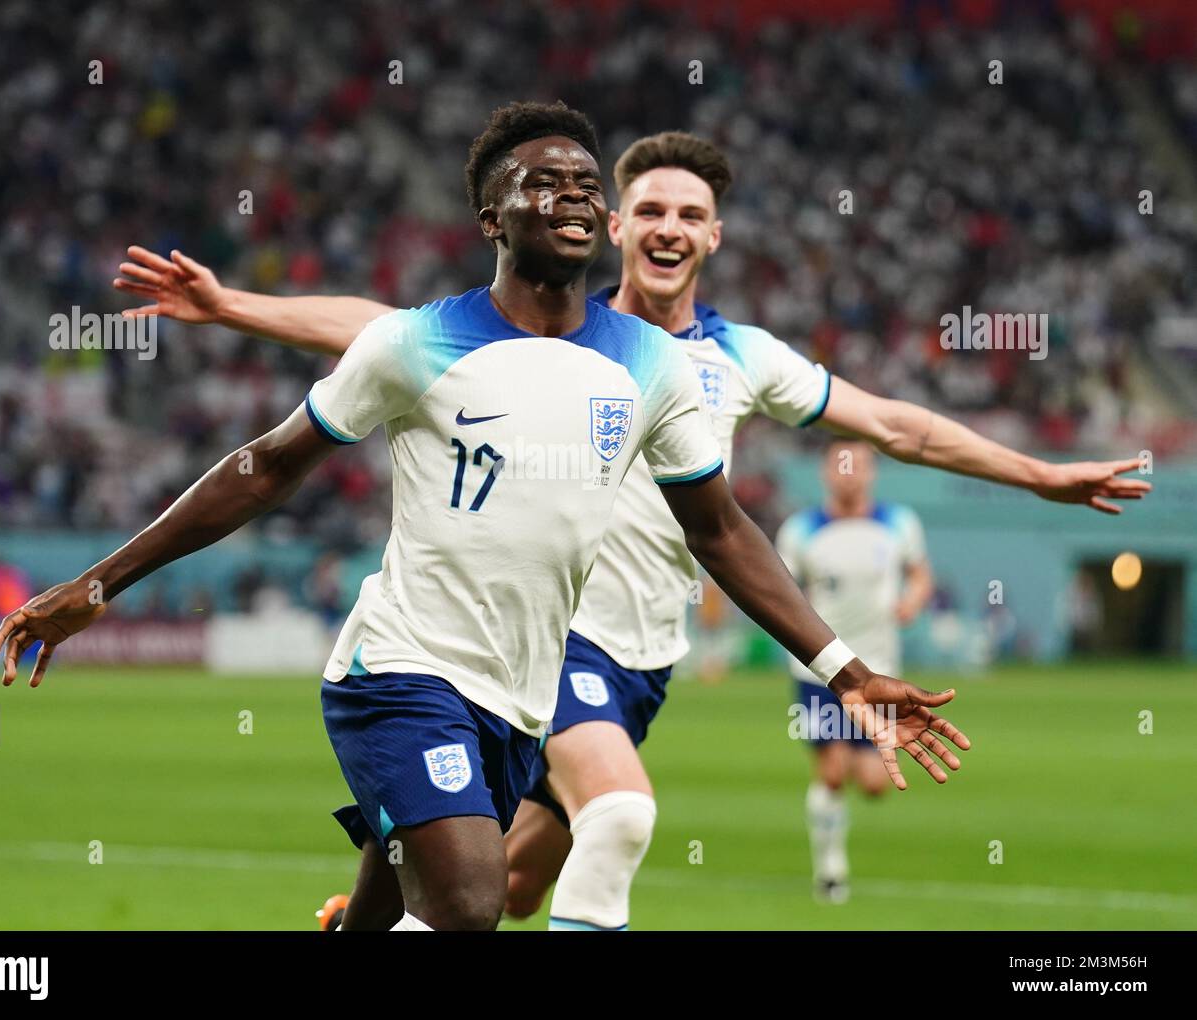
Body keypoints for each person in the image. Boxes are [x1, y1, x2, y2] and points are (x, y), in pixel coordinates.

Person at [112, 127, 1151, 931]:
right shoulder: (536, 330)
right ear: (616, 228)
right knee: (619, 817)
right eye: (648, 207)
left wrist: (1038, 475)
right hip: (565, 646)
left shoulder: (737, 359)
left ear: (713, 237)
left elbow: (894, 427)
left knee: (509, 889)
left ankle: (387, 918)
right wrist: (233, 305)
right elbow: (378, 329)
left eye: (690, 213)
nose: (668, 226)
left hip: (640, 664)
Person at [777, 439, 934, 903]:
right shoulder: (801, 530)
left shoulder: (899, 524)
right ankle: (830, 870)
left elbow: (920, 574)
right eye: (841, 465)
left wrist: (912, 601)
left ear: (872, 473)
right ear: (825, 473)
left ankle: (835, 827)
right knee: (831, 771)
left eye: (859, 465)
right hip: (819, 669)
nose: (849, 472)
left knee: (873, 783)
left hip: (877, 670)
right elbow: (779, 590)